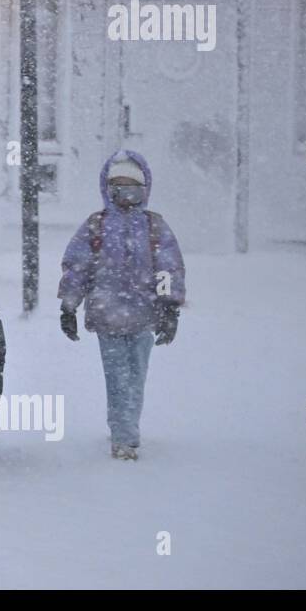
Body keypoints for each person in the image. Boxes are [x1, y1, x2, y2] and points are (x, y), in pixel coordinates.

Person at [57, 150, 186, 460]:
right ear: (108, 188)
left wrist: (169, 307)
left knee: (136, 375)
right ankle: (123, 436)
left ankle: (126, 425)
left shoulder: (154, 227)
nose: (125, 193)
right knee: (117, 377)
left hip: (144, 316)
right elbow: (77, 267)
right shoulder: (97, 226)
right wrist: (68, 306)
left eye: (133, 186)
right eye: (118, 186)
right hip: (107, 316)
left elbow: (167, 268)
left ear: (144, 189)